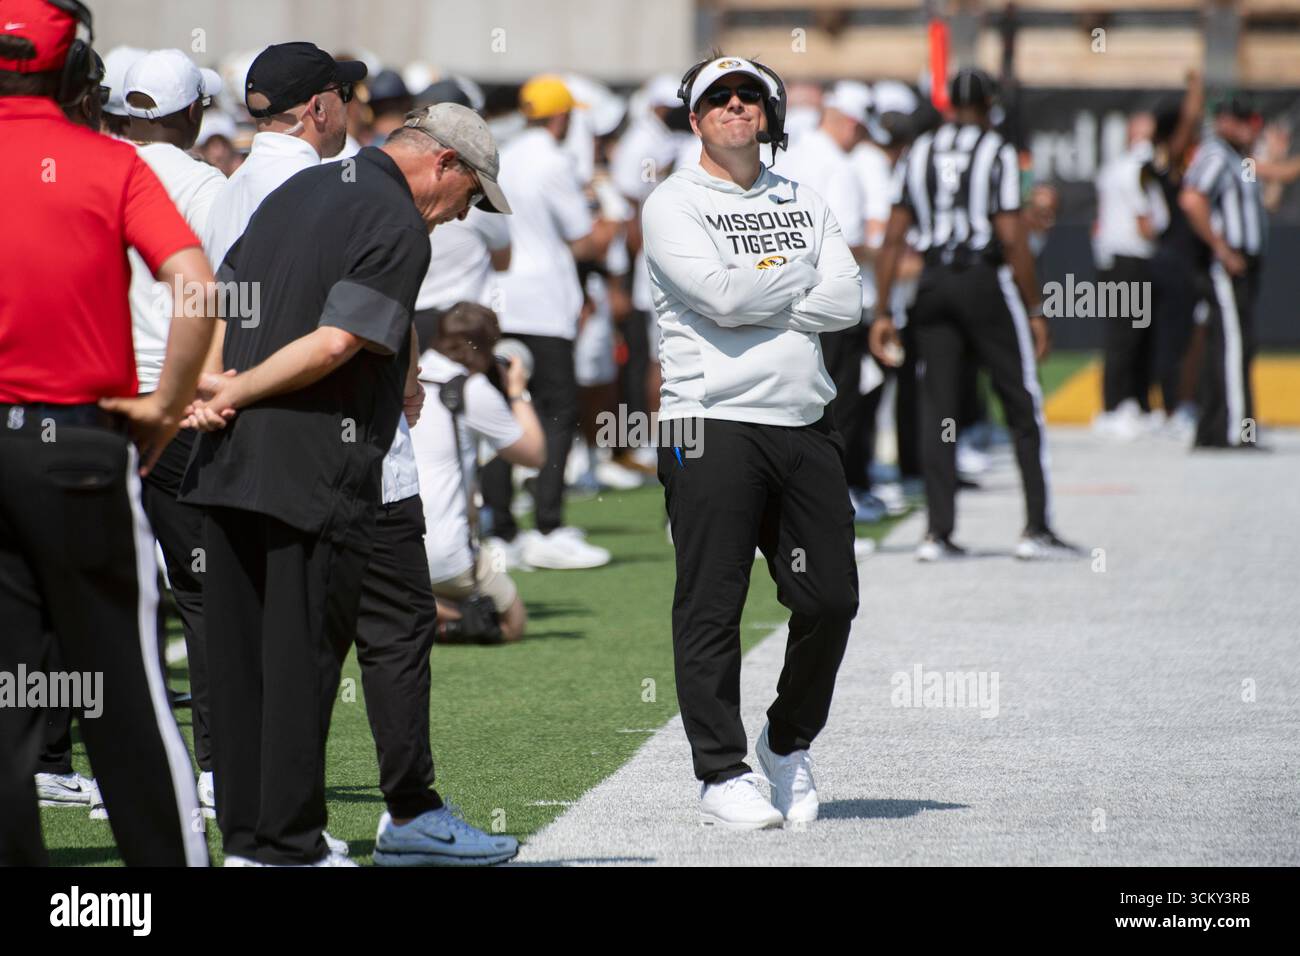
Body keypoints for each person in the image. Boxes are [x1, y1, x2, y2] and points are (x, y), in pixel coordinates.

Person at [179, 102, 515, 867]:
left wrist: (212, 380)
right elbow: (337, 342)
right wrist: (237, 391)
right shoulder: (395, 221)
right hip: (312, 469)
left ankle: (250, 844)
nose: (463, 216)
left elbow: (220, 295)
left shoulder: (298, 189)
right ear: (443, 166)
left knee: (240, 667)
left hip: (229, 463)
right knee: (301, 663)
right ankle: (290, 845)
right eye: (470, 197)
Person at [0, 0, 213, 866]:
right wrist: (166, 406)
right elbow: (195, 288)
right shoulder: (107, 163)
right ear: (78, 75)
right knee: (125, 687)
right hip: (78, 444)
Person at [643, 54, 863, 829]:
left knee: (831, 597)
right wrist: (799, 278)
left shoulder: (805, 196)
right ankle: (719, 771)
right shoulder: (670, 202)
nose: (736, 106)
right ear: (695, 116)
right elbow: (720, 298)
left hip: (804, 421)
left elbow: (849, 300)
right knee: (713, 603)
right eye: (718, 98)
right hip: (708, 424)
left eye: (750, 96)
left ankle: (786, 741)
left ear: (768, 113)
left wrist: (770, 290)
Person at [870, 68, 1077, 561]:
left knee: (938, 409)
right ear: (988, 104)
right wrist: (1035, 307)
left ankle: (936, 533)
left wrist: (882, 310)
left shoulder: (919, 150)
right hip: (982, 281)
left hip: (933, 283)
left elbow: (894, 236)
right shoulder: (998, 151)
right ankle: (1035, 528)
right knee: (1020, 398)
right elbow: (1010, 235)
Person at [116, 48, 230, 816]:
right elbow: (226, 295)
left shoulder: (91, 167)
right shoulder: (206, 184)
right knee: (207, 591)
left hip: (93, 399)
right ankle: (217, 768)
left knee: (103, 596)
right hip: (177, 399)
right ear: (192, 115)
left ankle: (118, 775)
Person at [483, 73, 615, 570]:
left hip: (500, 300)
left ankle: (501, 527)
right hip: (544, 303)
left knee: (498, 411)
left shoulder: (503, 153)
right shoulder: (553, 160)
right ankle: (548, 524)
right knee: (556, 412)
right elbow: (584, 239)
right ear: (560, 117)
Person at [412, 302, 545, 643]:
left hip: (388, 549)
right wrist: (517, 390)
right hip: (448, 555)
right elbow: (534, 454)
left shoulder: (407, 376)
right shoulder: (472, 390)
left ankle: (406, 603)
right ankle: (435, 612)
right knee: (512, 625)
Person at [1179, 94, 1300, 449]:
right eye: (1245, 123)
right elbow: (1191, 199)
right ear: (1227, 122)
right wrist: (1221, 247)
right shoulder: (1216, 155)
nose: (1251, 130)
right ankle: (1234, 431)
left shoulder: (1238, 161)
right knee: (1232, 344)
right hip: (1225, 265)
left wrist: (1277, 155)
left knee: (1234, 344)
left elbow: (1274, 189)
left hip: (1243, 265)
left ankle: (1215, 428)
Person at [204, 41, 366, 268]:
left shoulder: (230, 188)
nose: (346, 104)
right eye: (344, 92)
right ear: (318, 108)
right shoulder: (313, 190)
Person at [1092, 112, 1168, 439]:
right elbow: (1144, 222)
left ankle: (1136, 403)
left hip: (1123, 260)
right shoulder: (1134, 170)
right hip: (1128, 260)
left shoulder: (1116, 168)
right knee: (1125, 336)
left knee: (1138, 335)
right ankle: (1114, 407)